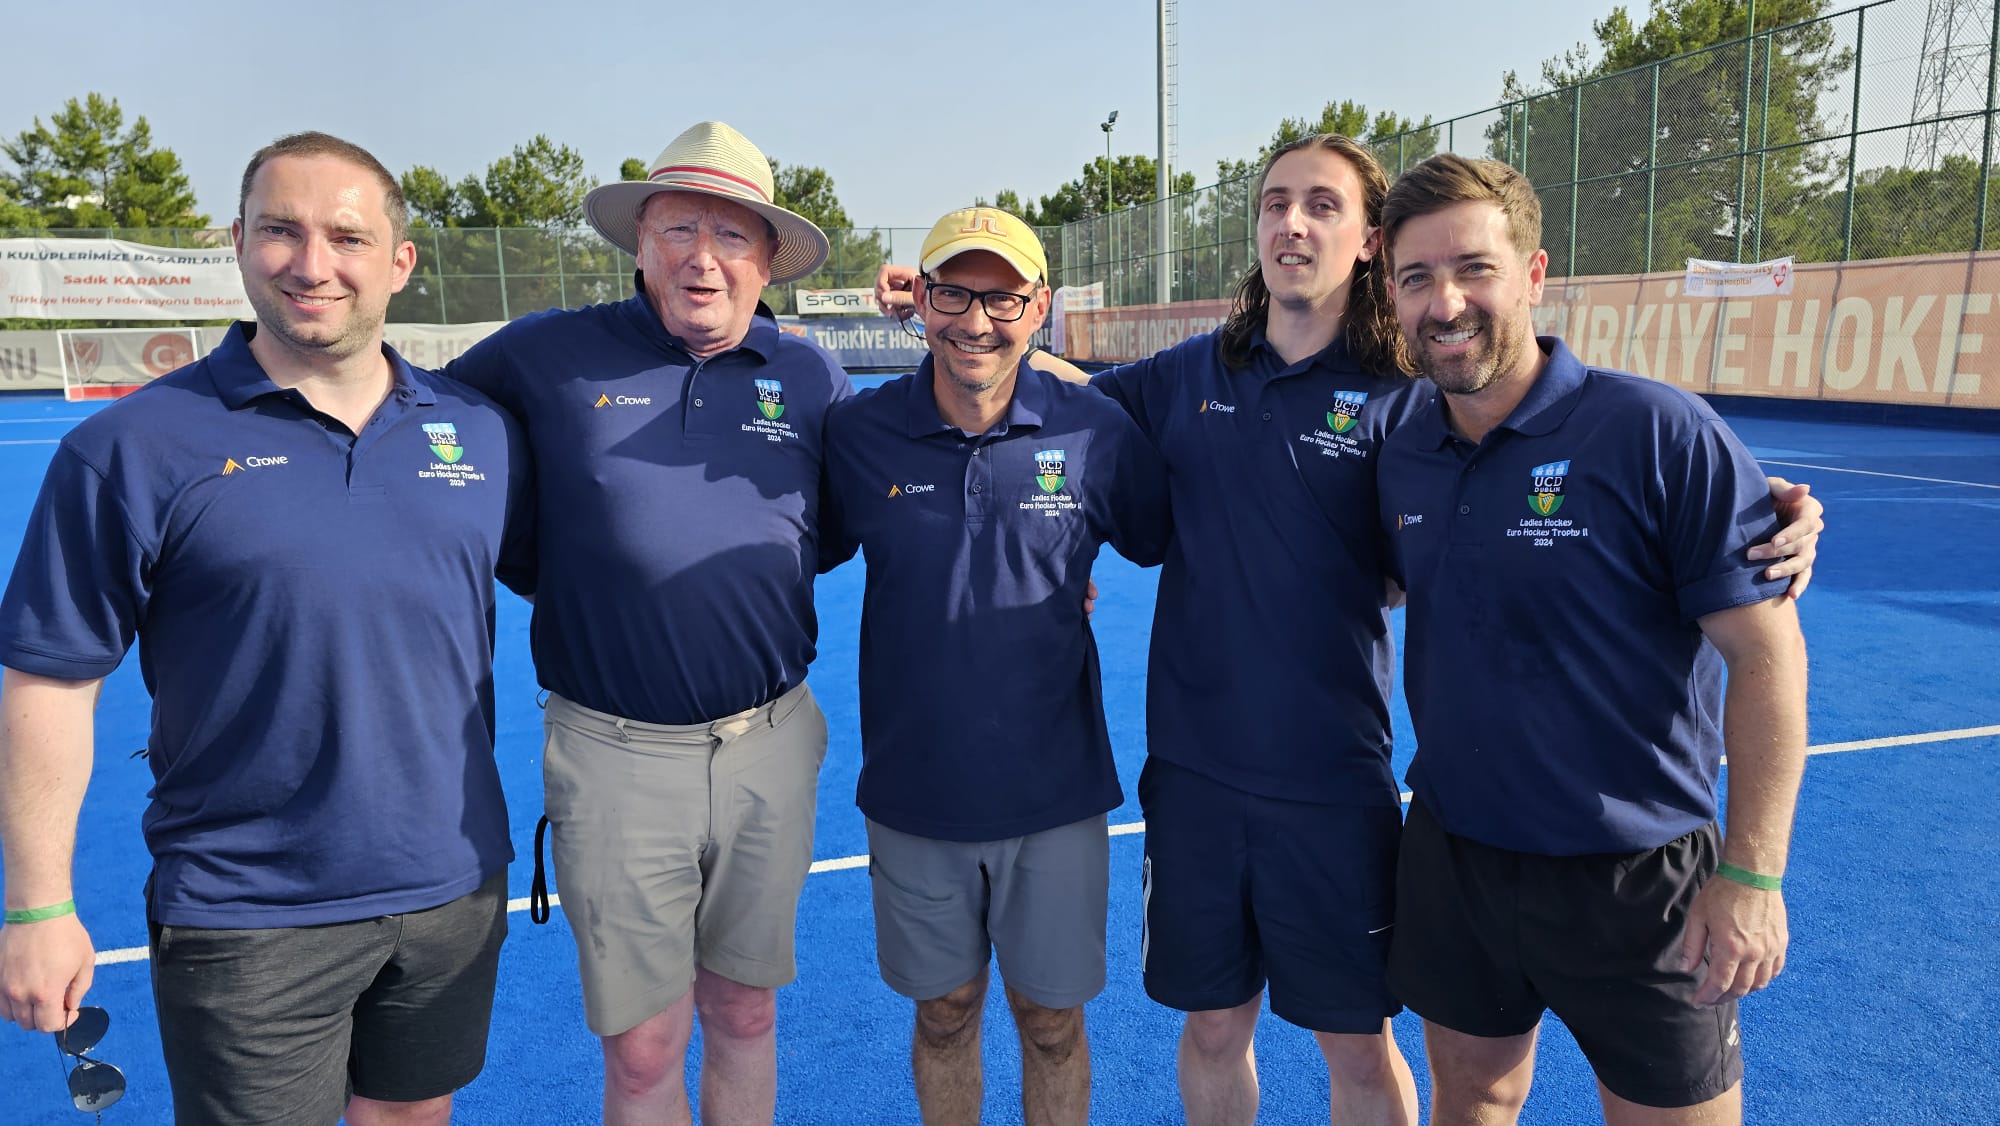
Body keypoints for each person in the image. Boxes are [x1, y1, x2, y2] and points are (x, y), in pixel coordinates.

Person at [878, 135, 1824, 1126]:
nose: (1292, 222)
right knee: (1219, 1031)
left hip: (1347, 782)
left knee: (1356, 1042)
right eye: (1275, 202)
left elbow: (1564, 458)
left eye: (1322, 205)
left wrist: (1758, 504)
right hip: (1214, 779)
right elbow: (1051, 402)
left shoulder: (1412, 401)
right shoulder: (1202, 379)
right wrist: (954, 327)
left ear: (1366, 241)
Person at [0, 131, 533, 1126]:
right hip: (248, 909)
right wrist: (37, 905)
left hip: (451, 885)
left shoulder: (480, 430)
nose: (313, 263)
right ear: (237, 243)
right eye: (281, 230)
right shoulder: (128, 448)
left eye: (346, 236)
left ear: (399, 263)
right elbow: (49, 679)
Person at [1375, 153, 1809, 1126]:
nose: (1444, 301)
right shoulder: (1398, 444)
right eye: (1415, 278)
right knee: (1474, 1097)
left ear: (1531, 275)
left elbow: (1764, 653)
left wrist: (1751, 872)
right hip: (1458, 857)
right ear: (1391, 296)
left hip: (1643, 879)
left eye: (1472, 268)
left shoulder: (1657, 433)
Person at [444, 120, 848, 1126]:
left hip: (770, 742)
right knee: (642, 1048)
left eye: (730, 236)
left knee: (746, 1013)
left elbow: (846, 519)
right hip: (614, 753)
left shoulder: (809, 376)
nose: (701, 258)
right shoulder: (545, 353)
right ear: (639, 241)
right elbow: (422, 436)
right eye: (678, 228)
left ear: (766, 259)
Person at [819, 206, 1170, 1125]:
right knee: (944, 1014)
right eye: (954, 294)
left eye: (1004, 298)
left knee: (1052, 1022)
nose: (977, 321)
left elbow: (1168, 538)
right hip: (914, 792)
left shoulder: (1093, 431)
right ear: (922, 301)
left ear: (1040, 305)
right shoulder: (858, 437)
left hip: (1055, 793)